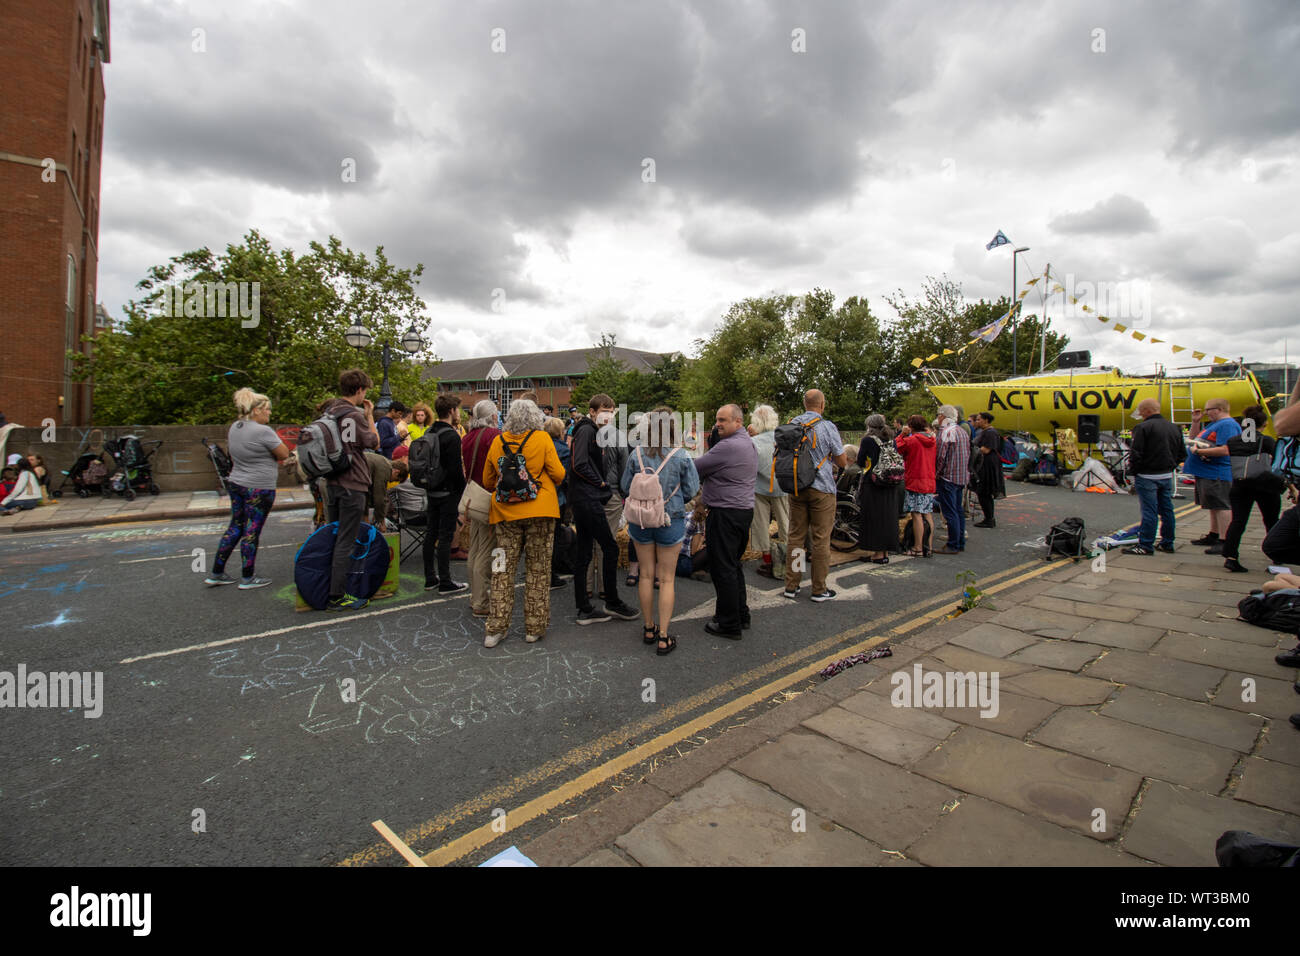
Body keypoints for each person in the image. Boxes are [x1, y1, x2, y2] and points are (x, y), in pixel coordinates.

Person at [481, 399, 567, 647]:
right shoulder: (542, 440)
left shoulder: (498, 441)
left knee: (501, 571)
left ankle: (495, 628)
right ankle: (534, 627)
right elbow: (559, 474)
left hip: (505, 514)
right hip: (540, 510)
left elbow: (488, 480)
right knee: (538, 569)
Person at [620, 407, 701, 655]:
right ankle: (664, 636)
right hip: (670, 519)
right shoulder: (682, 455)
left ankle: (648, 627)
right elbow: (692, 489)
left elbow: (625, 487)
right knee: (666, 579)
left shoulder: (636, 455)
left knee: (645, 575)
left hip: (641, 521)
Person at [204, 388, 291, 588]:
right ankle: (247, 577)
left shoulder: (236, 427)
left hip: (237, 483)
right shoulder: (263, 431)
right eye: (267, 409)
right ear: (257, 410)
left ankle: (217, 572)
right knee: (252, 531)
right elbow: (284, 453)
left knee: (235, 526)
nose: (269, 413)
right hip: (259, 487)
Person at [568, 394, 639, 625]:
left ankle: (584, 608)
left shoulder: (591, 430)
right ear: (592, 411)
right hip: (588, 498)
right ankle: (612, 601)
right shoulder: (587, 429)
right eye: (604, 410)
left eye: (611, 410)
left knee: (586, 551)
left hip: (585, 498)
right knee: (609, 547)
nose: (608, 414)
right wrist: (599, 483)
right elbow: (579, 464)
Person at [695, 403, 757, 636]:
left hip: (725, 513)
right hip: (741, 511)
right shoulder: (745, 442)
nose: (718, 424)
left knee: (723, 569)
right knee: (732, 565)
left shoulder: (728, 447)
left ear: (738, 422)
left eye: (723, 420)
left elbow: (696, 467)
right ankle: (740, 615)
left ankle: (728, 623)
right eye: (717, 419)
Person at [780, 389, 848, 602]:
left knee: (796, 537)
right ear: (822, 404)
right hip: (822, 488)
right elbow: (842, 461)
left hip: (796, 487)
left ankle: (792, 585)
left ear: (804, 403)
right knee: (821, 539)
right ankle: (819, 588)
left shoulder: (791, 425)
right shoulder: (827, 427)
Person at [1198, 405, 1282, 572]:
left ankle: (1231, 556)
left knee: (1238, 521)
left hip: (1240, 483)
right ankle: (1277, 556)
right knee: (1271, 520)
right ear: (1264, 424)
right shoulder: (1266, 441)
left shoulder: (1233, 441)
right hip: (1264, 484)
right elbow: (1277, 461)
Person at [323, 369, 381, 611]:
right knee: (346, 540)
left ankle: (328, 585)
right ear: (359, 390)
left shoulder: (329, 412)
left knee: (333, 537)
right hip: (352, 482)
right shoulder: (353, 415)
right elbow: (374, 442)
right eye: (364, 390)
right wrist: (368, 415)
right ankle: (337, 595)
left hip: (332, 480)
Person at [1121, 398, 1186, 556]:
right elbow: (1182, 453)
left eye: (1141, 410)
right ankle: (1167, 542)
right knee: (1167, 510)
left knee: (1149, 511)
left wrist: (1134, 472)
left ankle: (1145, 545)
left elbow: (1136, 454)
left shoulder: (1143, 427)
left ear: (1147, 411)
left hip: (1147, 475)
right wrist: (1171, 465)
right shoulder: (1174, 428)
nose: (1140, 413)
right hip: (1166, 474)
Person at [421, 394, 468, 593]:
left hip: (431, 488)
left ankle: (430, 577)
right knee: (446, 535)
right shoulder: (451, 436)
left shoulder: (429, 431)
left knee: (431, 533)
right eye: (457, 410)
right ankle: (446, 581)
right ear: (451, 411)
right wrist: (462, 488)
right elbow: (456, 469)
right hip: (448, 490)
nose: (458, 413)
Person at [1184, 399, 1243, 553]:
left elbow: (1226, 449)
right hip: (1207, 472)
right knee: (1213, 506)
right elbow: (1193, 440)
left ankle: (1225, 541)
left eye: (1208, 410)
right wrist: (1195, 422)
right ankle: (1214, 534)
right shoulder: (1214, 425)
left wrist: (1200, 452)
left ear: (1219, 409)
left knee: (1222, 506)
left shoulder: (1227, 425)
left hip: (1217, 472)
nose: (1205, 413)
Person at [461, 400, 502, 617]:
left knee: (475, 548)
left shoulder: (467, 437)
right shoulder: (494, 436)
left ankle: (474, 595)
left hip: (474, 497)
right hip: (490, 497)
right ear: (492, 416)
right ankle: (481, 601)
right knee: (488, 549)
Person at [748, 404, 789, 579]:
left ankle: (768, 561)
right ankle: (795, 564)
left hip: (759, 487)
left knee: (760, 526)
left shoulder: (752, 442)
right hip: (783, 486)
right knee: (789, 525)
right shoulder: (785, 438)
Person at [855, 414, 899, 563]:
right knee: (887, 517)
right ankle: (885, 551)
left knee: (874, 518)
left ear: (869, 426)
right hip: (891, 481)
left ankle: (877, 553)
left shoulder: (868, 440)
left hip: (873, 483)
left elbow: (860, 461)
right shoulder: (891, 439)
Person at [895, 414, 937, 556]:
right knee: (927, 513)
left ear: (911, 426)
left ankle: (918, 547)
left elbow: (897, 447)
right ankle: (928, 546)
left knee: (916, 514)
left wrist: (902, 434)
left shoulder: (912, 440)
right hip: (929, 480)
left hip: (915, 480)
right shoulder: (932, 439)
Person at [932, 405, 970, 554]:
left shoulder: (946, 432)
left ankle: (953, 544)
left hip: (948, 477)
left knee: (950, 512)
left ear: (942, 416)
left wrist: (937, 474)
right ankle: (959, 541)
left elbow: (941, 456)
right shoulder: (962, 431)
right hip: (961, 476)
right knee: (958, 510)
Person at [544, 416, 571, 590]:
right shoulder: (564, 450)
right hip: (558, 496)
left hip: (540, 496)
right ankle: (553, 573)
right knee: (555, 536)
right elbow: (565, 477)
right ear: (561, 432)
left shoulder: (540, 446)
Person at [970, 412, 1005, 528]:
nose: (977, 421)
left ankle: (989, 518)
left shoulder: (990, 433)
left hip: (987, 465)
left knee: (985, 492)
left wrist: (974, 450)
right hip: (984, 464)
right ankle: (988, 517)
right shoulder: (986, 432)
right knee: (983, 493)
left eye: (979, 419)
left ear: (986, 420)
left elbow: (986, 449)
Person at [363, 450, 393, 531]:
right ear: (397, 472)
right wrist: (381, 521)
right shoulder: (385, 467)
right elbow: (379, 497)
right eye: (395, 479)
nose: (390, 482)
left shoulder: (380, 460)